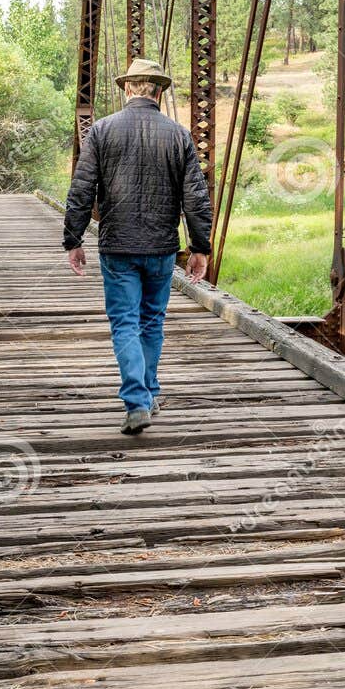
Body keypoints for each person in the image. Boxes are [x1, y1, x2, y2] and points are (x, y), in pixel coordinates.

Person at [62, 57, 214, 436]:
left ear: (128, 89)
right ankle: (148, 393)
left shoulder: (101, 131)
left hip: (118, 247)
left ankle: (137, 401)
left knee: (125, 322)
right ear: (158, 91)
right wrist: (200, 247)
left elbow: (82, 190)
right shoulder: (178, 134)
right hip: (162, 246)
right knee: (152, 320)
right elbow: (196, 197)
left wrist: (73, 238)